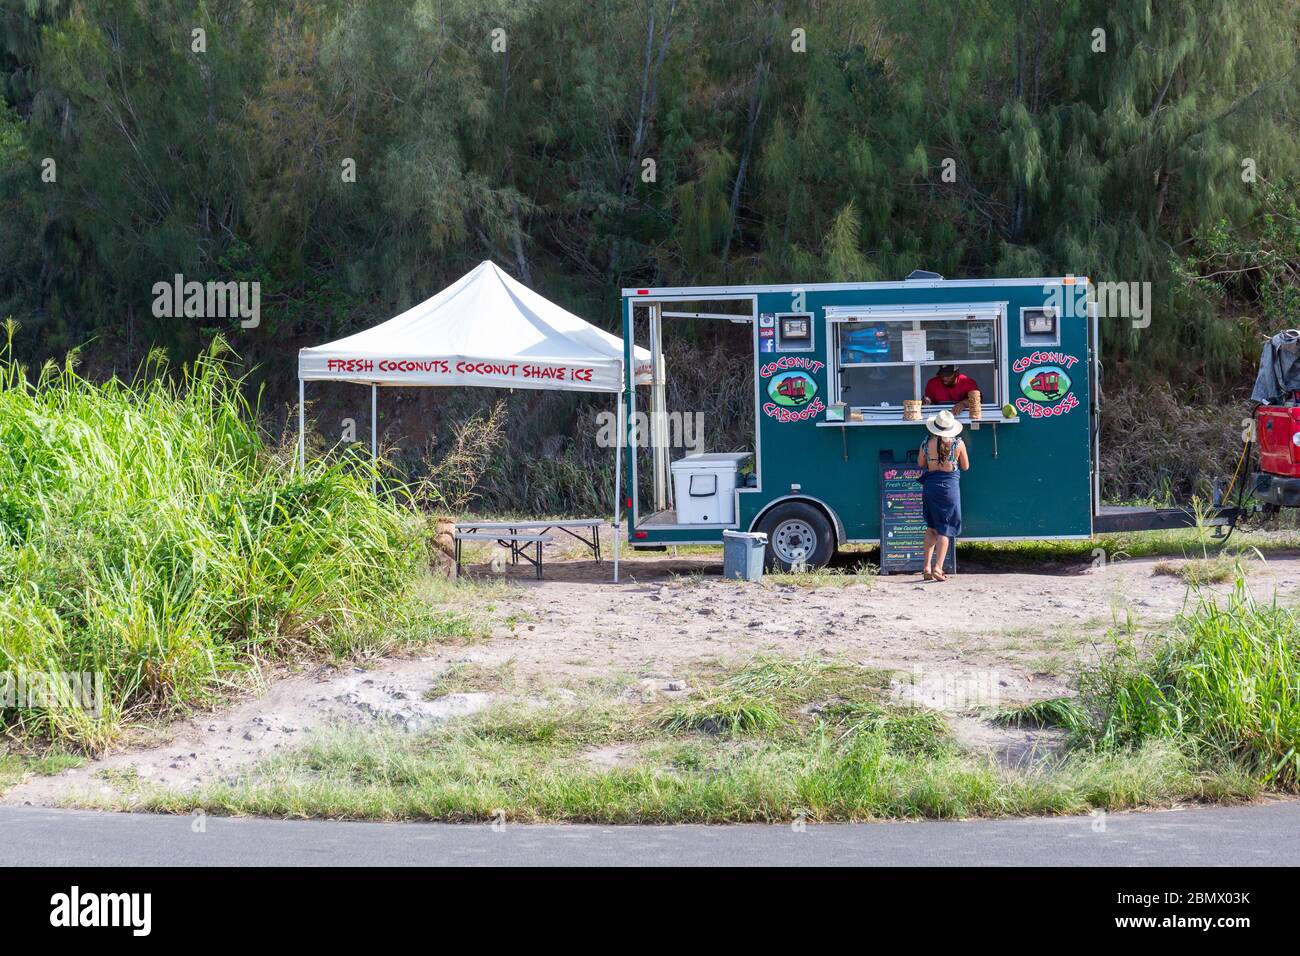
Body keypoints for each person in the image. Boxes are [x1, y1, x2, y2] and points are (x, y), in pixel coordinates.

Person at [916, 409, 969, 582]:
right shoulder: (958, 443)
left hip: (930, 488)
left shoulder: (925, 442)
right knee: (944, 529)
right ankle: (938, 568)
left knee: (931, 527)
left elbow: (920, 463)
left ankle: (926, 567)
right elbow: (965, 466)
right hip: (949, 489)